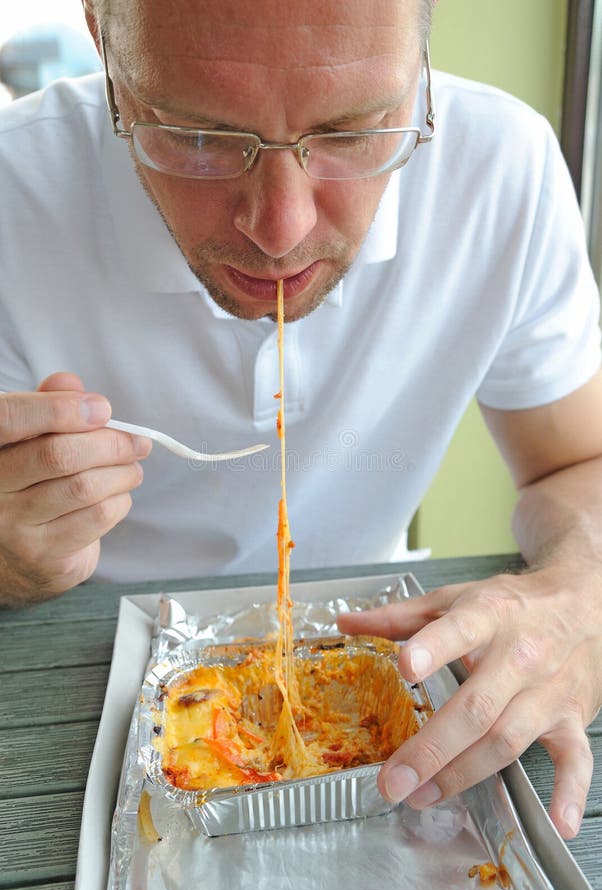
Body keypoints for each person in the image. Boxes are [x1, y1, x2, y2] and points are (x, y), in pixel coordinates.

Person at [0, 0, 600, 842]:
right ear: (104, 44)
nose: (281, 232)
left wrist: (582, 589)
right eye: (198, 137)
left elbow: (576, 463)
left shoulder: (505, 170)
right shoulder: (9, 195)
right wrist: (8, 562)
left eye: (354, 133)